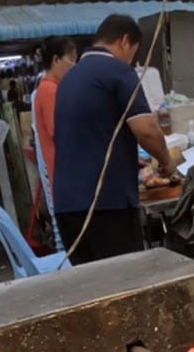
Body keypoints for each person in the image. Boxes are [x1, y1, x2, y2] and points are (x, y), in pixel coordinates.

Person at [53, 14, 175, 265]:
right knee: (125, 286)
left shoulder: (68, 79)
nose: (132, 60)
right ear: (125, 41)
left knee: (92, 290)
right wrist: (166, 161)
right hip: (106, 206)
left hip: (68, 207)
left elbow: (92, 134)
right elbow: (147, 130)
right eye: (133, 52)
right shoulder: (118, 71)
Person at [32, 36, 77, 191]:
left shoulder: (55, 89)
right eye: (71, 60)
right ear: (56, 60)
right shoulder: (49, 90)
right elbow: (59, 131)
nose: (74, 65)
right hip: (67, 175)